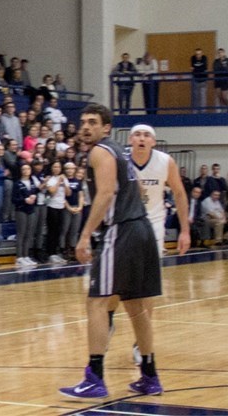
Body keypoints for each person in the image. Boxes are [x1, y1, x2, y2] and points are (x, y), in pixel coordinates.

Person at [59, 103, 165, 399]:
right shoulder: (119, 151)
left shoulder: (100, 151)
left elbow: (105, 194)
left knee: (97, 303)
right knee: (135, 307)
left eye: (93, 122)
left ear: (106, 128)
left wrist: (83, 237)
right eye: (83, 122)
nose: (86, 127)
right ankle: (150, 375)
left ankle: (95, 378)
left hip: (121, 229)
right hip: (142, 229)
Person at [106, 124, 190, 364]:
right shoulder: (120, 161)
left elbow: (180, 194)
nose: (142, 139)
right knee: (115, 284)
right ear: (130, 139)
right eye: (138, 135)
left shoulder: (165, 162)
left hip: (152, 229)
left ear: (153, 142)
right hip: (122, 226)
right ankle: (109, 317)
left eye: (147, 135)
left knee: (146, 290)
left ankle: (140, 345)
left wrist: (184, 231)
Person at [189, 48, 208, 113]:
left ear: (202, 54)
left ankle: (203, 110)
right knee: (195, 95)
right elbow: (192, 68)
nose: (198, 55)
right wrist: (198, 69)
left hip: (203, 79)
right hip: (195, 79)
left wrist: (196, 68)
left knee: (203, 95)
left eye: (199, 54)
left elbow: (204, 67)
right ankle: (195, 110)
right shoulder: (193, 58)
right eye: (197, 54)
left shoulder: (204, 58)